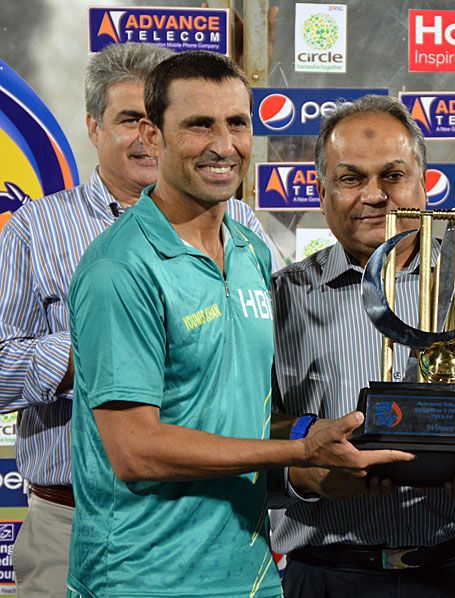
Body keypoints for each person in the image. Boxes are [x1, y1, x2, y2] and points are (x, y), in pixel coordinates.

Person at [65, 51, 411, 598]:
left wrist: (322, 447)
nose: (223, 145)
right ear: (152, 136)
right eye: (199, 124)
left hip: (250, 577)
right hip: (142, 579)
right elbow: (135, 451)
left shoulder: (249, 250)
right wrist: (300, 453)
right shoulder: (119, 268)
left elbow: (244, 409)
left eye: (237, 123)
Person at [268, 94, 455, 598]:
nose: (374, 195)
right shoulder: (284, 296)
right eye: (350, 179)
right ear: (321, 194)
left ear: (424, 186)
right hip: (328, 576)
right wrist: (306, 475)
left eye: (393, 175)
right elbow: (243, 435)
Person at [0, 42, 274, 597]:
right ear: (94, 128)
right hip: (78, 523)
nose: (149, 136)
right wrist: (106, 352)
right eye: (131, 119)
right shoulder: (36, 229)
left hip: (224, 522)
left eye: (159, 120)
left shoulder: (243, 226)